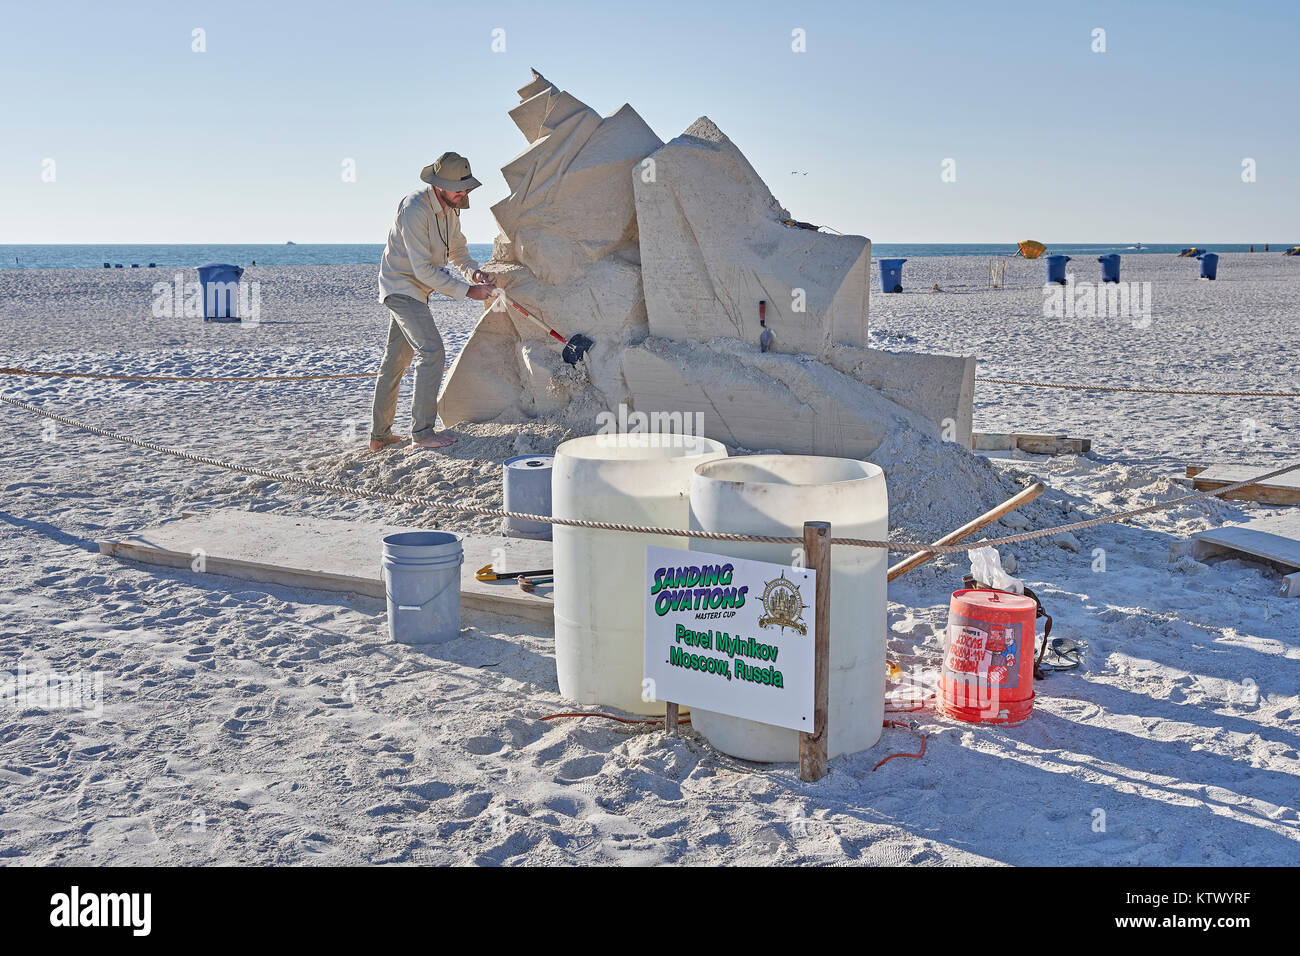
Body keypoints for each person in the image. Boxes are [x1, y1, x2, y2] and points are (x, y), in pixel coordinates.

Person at [370, 152, 497, 451]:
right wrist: (468, 292)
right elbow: (422, 269)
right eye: (458, 188)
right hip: (401, 286)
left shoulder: (453, 207)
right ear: (439, 185)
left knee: (394, 363)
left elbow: (458, 252)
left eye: (467, 187)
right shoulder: (414, 208)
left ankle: (379, 438)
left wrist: (473, 273)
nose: (464, 193)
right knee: (432, 351)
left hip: (420, 289)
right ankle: (423, 433)